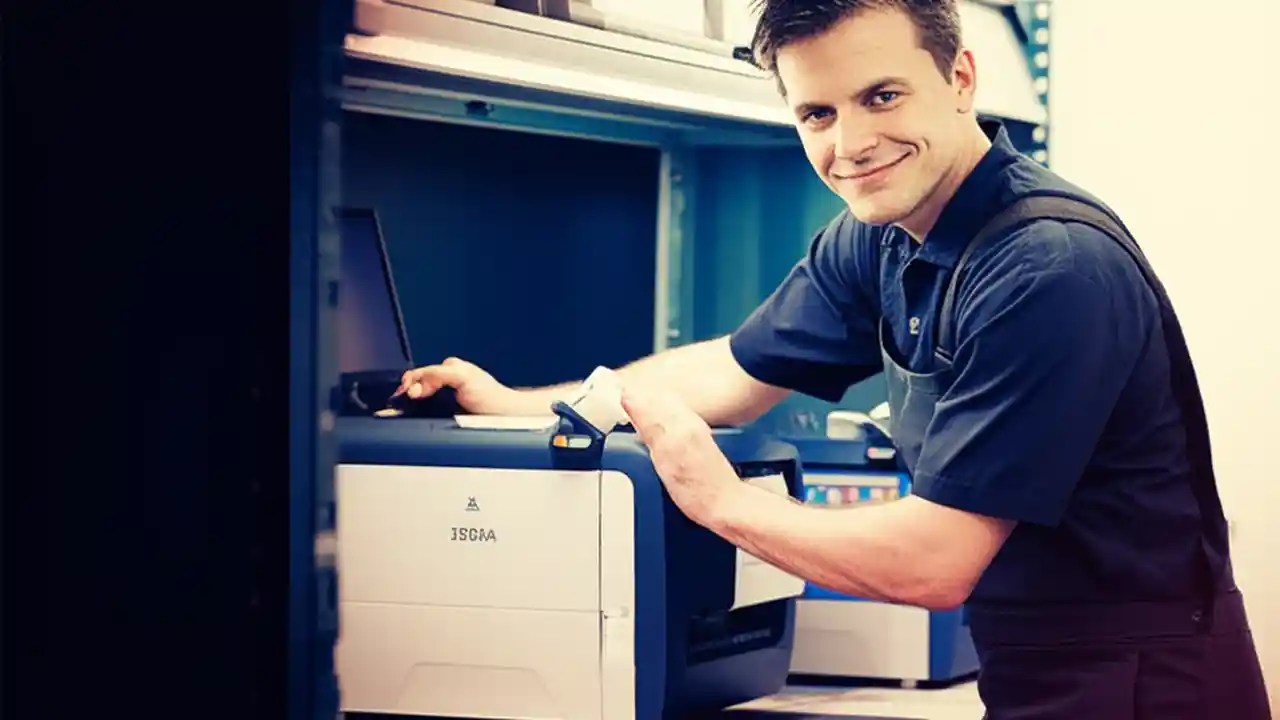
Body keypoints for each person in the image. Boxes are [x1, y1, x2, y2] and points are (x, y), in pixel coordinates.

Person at [395, 0, 1271, 716]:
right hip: (1035, 663)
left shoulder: (1047, 268)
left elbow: (933, 561)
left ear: (959, 79)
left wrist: (722, 502)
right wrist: (510, 403)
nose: (848, 145)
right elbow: (727, 377)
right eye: (817, 112)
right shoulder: (880, 238)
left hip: (1150, 685)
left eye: (882, 96)